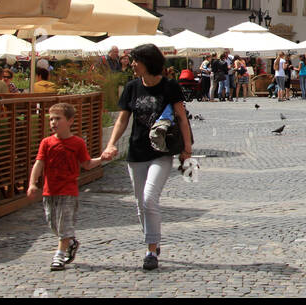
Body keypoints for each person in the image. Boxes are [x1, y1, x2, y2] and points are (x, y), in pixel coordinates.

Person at [101, 44, 192, 270]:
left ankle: (151, 249)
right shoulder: (132, 87)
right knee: (140, 204)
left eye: (135, 60)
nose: (131, 64)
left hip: (161, 152)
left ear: (147, 62)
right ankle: (152, 239)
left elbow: (181, 117)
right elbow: (123, 119)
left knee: (150, 198)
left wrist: (187, 148)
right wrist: (111, 143)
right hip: (136, 151)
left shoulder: (169, 86)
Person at [28, 102, 106, 270]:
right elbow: (39, 164)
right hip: (50, 190)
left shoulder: (77, 143)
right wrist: (32, 184)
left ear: (70, 121)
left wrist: (102, 159)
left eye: (58, 119)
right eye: (51, 119)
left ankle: (59, 255)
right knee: (53, 224)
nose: (53, 123)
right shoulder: (46, 143)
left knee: (64, 222)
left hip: (68, 191)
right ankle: (70, 241)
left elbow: (86, 163)